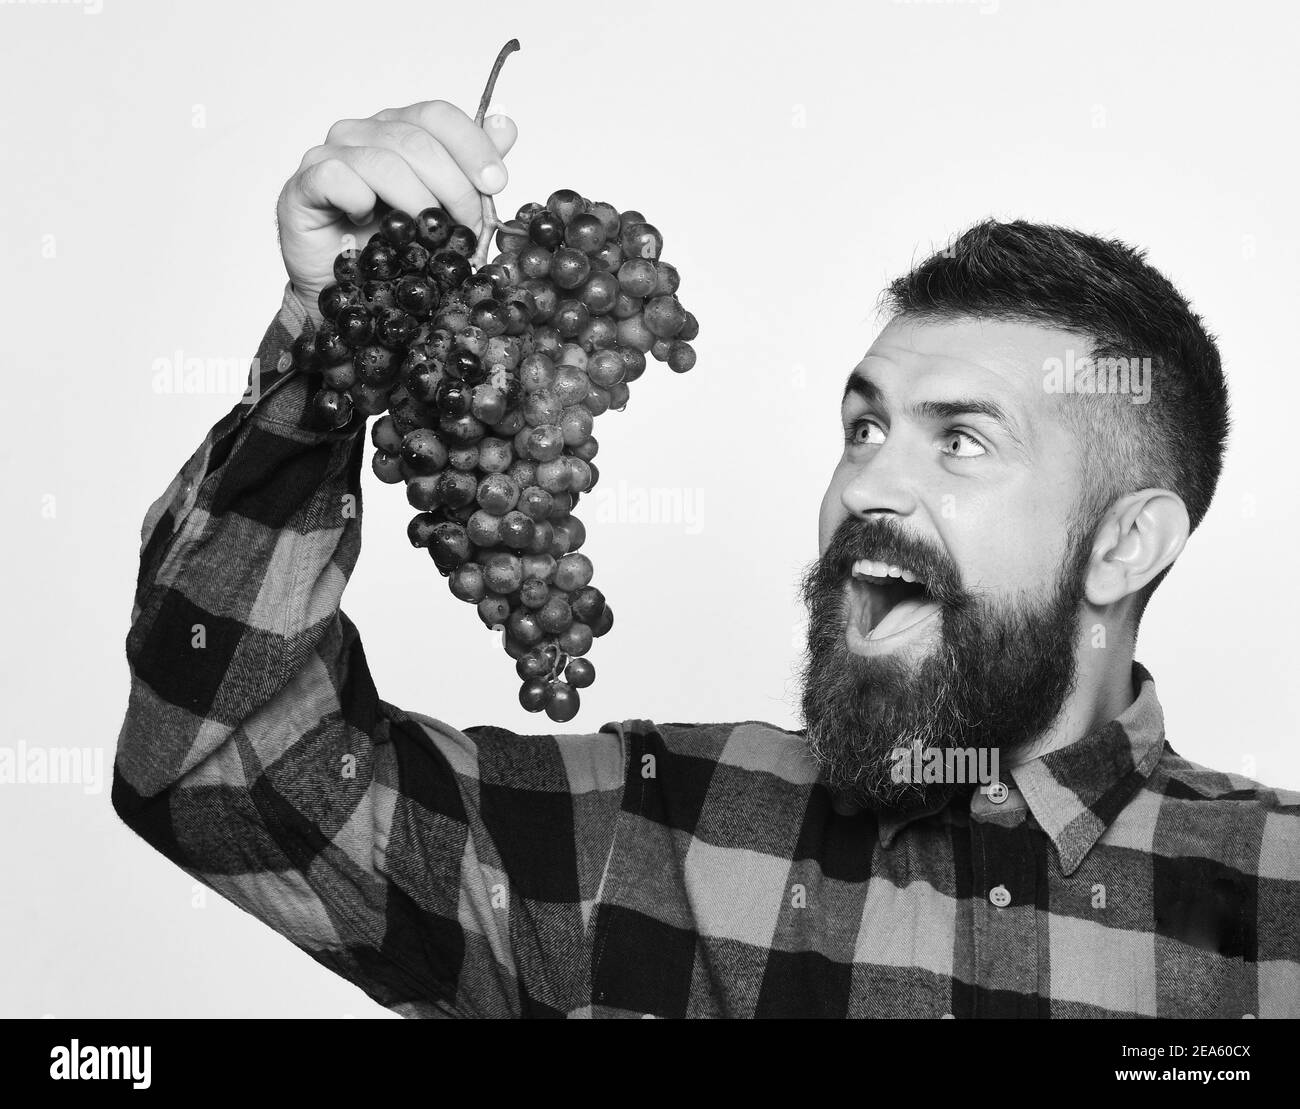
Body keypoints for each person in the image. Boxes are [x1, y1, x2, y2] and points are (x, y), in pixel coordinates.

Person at [113, 98, 1300, 1019]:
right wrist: (342, 340)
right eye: (864, 426)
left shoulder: (1277, 895)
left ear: (1124, 543)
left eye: (963, 440)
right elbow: (223, 776)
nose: (867, 483)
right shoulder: (640, 839)